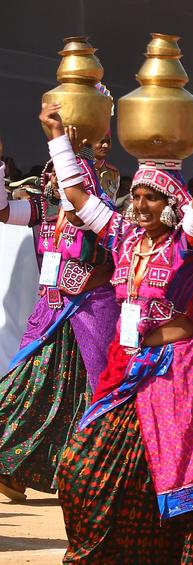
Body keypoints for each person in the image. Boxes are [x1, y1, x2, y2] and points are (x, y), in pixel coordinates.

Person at [41, 98, 193, 565]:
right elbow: (75, 194)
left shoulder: (185, 244)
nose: (139, 205)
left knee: (180, 468)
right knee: (80, 464)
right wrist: (56, 137)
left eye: (151, 198)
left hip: (178, 369)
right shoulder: (124, 238)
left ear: (170, 204)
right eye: (135, 196)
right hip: (129, 368)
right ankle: (89, 560)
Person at [0, 133, 118, 502]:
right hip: (48, 314)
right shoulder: (45, 212)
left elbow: (110, 262)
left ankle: (89, 473)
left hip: (88, 314)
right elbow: (3, 212)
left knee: (83, 396)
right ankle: (14, 471)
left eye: (59, 175)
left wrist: (62, 148)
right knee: (28, 386)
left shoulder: (93, 216)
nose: (51, 180)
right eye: (49, 175)